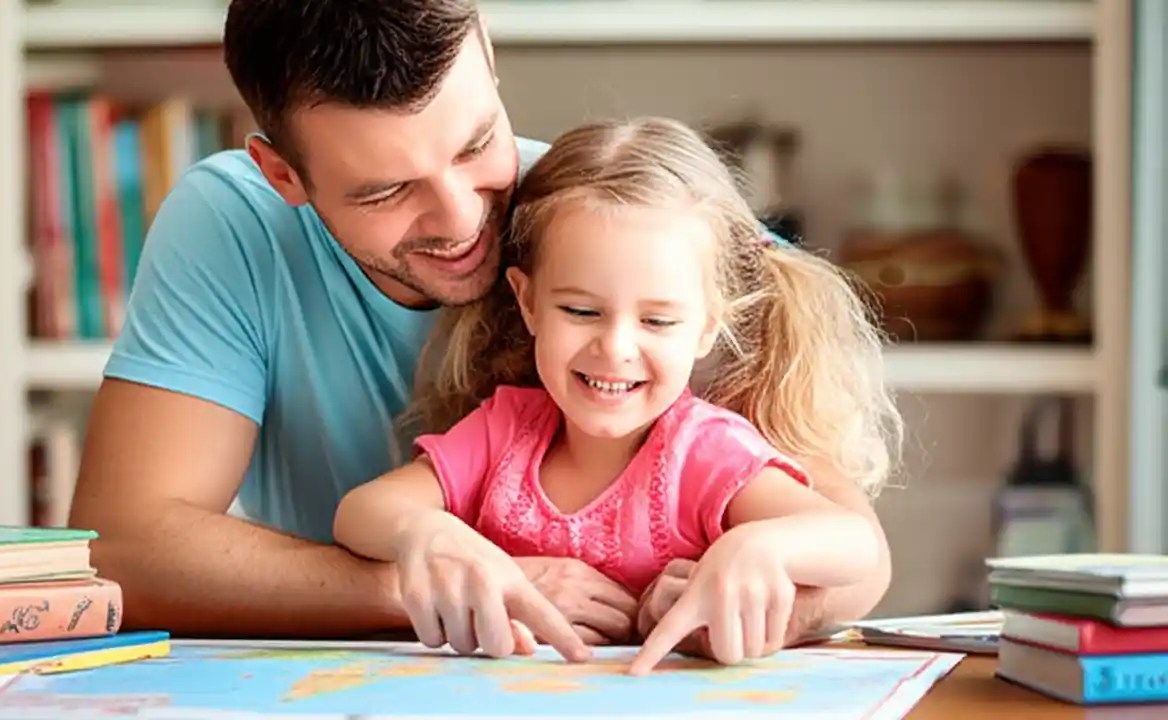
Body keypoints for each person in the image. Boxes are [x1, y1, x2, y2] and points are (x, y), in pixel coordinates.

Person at [69, 0, 895, 647]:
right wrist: (436, 588)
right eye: (386, 191)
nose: (461, 218)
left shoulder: (627, 231)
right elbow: (127, 552)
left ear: (489, 57)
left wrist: (747, 601)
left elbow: (849, 559)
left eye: (475, 146)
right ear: (284, 173)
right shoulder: (234, 225)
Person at [333, 117, 895, 673]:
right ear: (527, 303)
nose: (616, 347)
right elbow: (362, 512)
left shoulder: (703, 452)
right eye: (580, 311)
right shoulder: (505, 428)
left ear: (707, 327)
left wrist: (756, 550)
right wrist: (427, 533)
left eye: (657, 320)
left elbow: (855, 544)